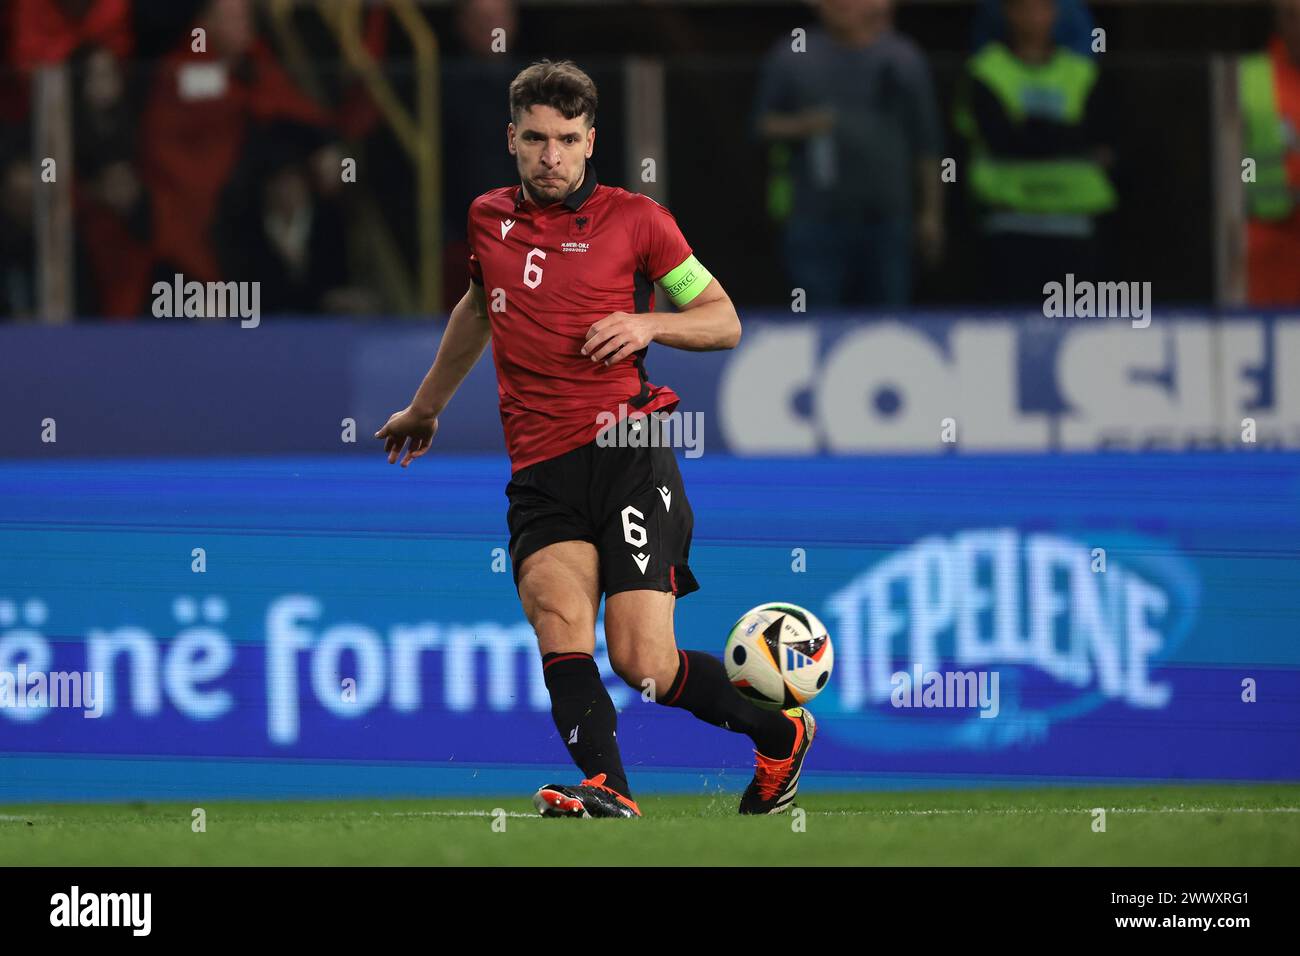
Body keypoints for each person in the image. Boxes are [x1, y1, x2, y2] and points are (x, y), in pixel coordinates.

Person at [375, 59, 815, 818]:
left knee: (644, 662)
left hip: (627, 452)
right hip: (540, 468)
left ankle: (779, 734)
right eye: (537, 138)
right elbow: (478, 310)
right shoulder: (487, 219)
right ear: (512, 139)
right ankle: (609, 785)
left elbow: (724, 319)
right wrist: (425, 407)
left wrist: (650, 322)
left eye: (568, 139)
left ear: (591, 142)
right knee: (558, 624)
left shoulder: (638, 221)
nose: (552, 156)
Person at [753, 0, 944, 308]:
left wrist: (931, 215)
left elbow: (927, 144)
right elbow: (761, 126)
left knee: (888, 325)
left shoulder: (903, 57)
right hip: (814, 220)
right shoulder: (792, 55)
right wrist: (801, 125)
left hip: (889, 221)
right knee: (816, 321)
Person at [954, 0, 1116, 304]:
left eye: (1043, 7)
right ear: (1008, 14)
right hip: (1009, 224)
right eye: (1025, 7)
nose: (1034, 16)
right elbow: (1001, 138)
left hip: (1074, 225)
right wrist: (1066, 136)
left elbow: (1101, 135)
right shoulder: (986, 71)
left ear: (1056, 13)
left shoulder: (1081, 73)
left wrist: (1030, 128)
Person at [1241, 0, 1300, 305]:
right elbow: (1235, 158)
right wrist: (1249, 179)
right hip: (1265, 244)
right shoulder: (1249, 76)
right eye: (1290, 15)